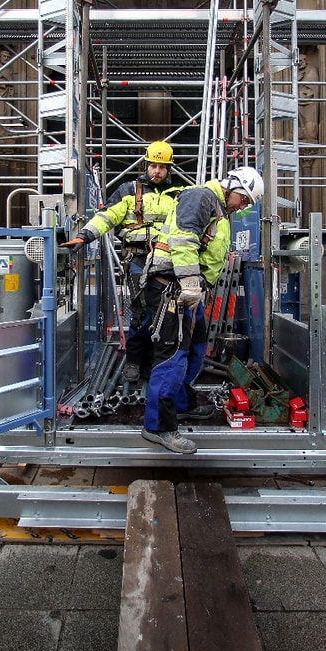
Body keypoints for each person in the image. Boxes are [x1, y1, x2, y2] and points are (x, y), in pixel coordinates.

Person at [140, 166, 264, 455]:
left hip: (187, 292)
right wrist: (191, 284)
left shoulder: (219, 209)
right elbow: (183, 240)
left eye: (247, 204)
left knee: (195, 350)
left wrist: (195, 289)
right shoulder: (201, 197)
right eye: (243, 200)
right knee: (171, 358)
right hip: (174, 288)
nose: (243, 207)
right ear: (232, 185)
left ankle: (181, 405)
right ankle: (158, 427)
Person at [60, 141, 186, 382]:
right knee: (141, 313)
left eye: (161, 167)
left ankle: (155, 365)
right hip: (138, 259)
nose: (156, 171)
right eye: (153, 166)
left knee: (165, 315)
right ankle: (134, 361)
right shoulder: (129, 190)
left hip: (169, 263)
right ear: (146, 165)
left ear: (169, 169)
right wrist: (85, 235)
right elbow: (107, 216)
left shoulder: (179, 195)